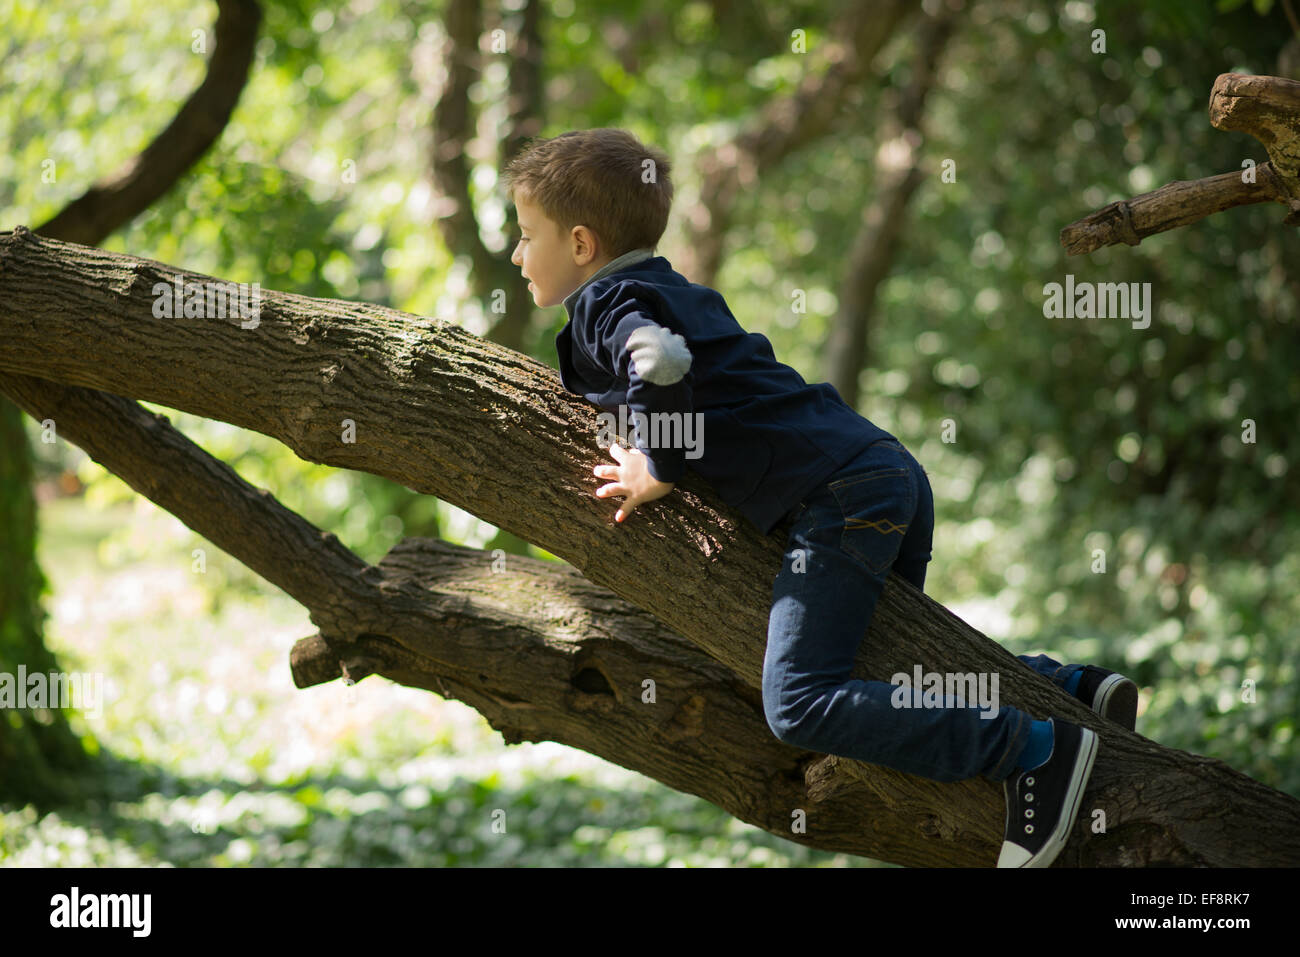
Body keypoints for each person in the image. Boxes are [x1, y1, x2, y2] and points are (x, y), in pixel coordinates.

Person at [502, 127, 1138, 867]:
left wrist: (658, 464)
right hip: (880, 468)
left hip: (837, 497)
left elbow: (662, 359)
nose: (517, 255)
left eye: (526, 236)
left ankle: (1032, 751)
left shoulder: (608, 304)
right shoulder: (674, 285)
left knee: (799, 701)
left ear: (581, 244)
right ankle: (1069, 687)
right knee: (889, 660)